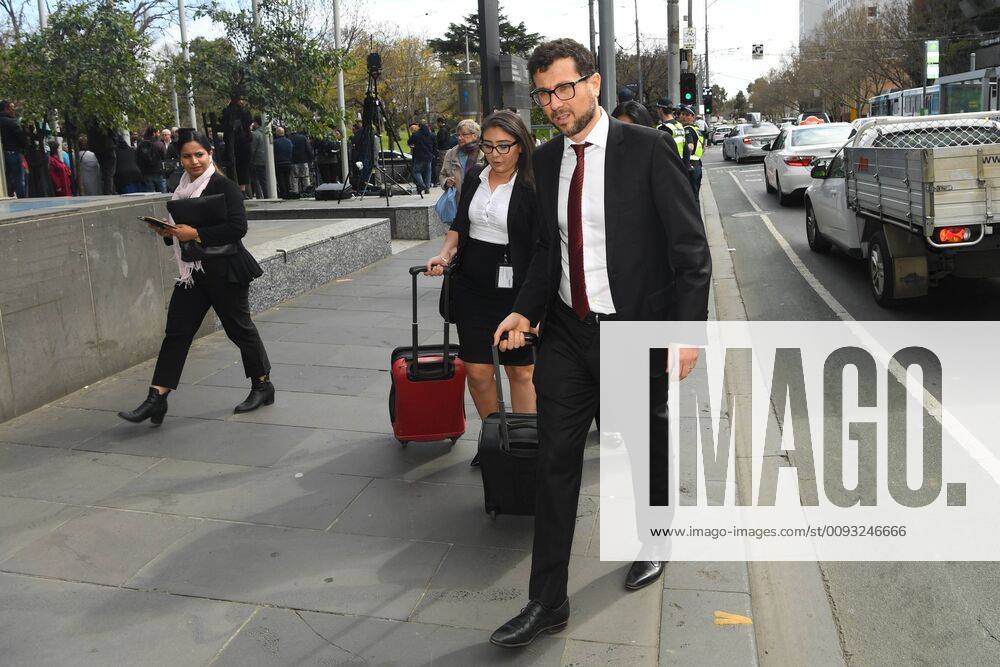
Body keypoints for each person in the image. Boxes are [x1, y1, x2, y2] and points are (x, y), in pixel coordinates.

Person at [490, 38, 711, 648]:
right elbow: (543, 252)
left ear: (592, 83)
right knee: (555, 462)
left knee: (643, 447)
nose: (555, 102)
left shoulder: (647, 149)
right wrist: (522, 312)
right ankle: (547, 602)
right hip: (566, 332)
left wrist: (688, 334)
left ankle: (655, 536)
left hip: (634, 329)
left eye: (564, 87)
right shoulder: (543, 159)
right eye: (543, 93)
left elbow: (689, 251)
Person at [118, 129, 273, 425]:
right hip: (193, 273)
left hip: (226, 270)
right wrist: (169, 233)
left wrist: (197, 233)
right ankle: (157, 398)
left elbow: (238, 228)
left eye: (199, 155)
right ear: (180, 159)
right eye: (187, 156)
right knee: (177, 333)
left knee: (239, 330)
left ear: (210, 153)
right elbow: (183, 232)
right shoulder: (181, 189)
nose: (194, 161)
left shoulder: (223, 185)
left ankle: (262, 385)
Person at [425, 110, 540, 467]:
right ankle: (495, 439)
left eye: (504, 146)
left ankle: (527, 444)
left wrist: (535, 310)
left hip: (517, 288)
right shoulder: (474, 176)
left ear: (521, 146)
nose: (495, 154)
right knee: (477, 371)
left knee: (520, 370)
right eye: (488, 146)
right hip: (472, 286)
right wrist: (444, 255)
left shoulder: (535, 184)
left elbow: (543, 246)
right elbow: (459, 225)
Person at [439, 119, 484, 200]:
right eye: (458, 135)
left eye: (463, 134)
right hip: (458, 202)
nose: (459, 138)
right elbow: (442, 175)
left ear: (475, 136)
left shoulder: (485, 153)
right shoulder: (451, 154)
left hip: (479, 201)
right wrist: (446, 182)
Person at [221, 94, 253, 197]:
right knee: (243, 167)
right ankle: (242, 190)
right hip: (242, 142)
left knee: (236, 166)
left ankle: (236, 189)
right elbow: (248, 122)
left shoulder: (226, 110)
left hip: (231, 143)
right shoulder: (244, 111)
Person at [0, 100, 28, 198]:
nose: (13, 110)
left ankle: (9, 194)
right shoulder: (12, 122)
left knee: (7, 178)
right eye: (11, 108)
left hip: (3, 154)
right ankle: (22, 200)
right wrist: (24, 147)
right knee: (19, 179)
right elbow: (21, 137)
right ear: (6, 109)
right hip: (14, 152)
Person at [679, 105, 704, 205]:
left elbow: (690, 147)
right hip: (698, 166)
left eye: (687, 115)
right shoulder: (696, 129)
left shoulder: (687, 129)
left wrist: (685, 160)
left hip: (691, 167)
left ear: (693, 117)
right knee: (695, 198)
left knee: (690, 200)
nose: (684, 116)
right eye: (683, 114)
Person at [408, 121, 436, 195]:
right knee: (428, 173)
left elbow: (409, 142)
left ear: (419, 127)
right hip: (429, 156)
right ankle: (427, 188)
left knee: (416, 172)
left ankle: (422, 185)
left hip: (419, 156)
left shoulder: (416, 135)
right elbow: (435, 145)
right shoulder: (431, 135)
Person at [137, 126, 167, 193]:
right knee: (163, 193)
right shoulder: (159, 144)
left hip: (146, 172)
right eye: (158, 133)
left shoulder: (141, 144)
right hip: (158, 171)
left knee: (150, 193)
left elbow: (137, 159)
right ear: (154, 133)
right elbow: (165, 157)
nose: (159, 135)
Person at [289, 129, 314, 196]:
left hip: (294, 161)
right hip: (303, 160)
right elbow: (308, 149)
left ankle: (295, 192)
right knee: (306, 176)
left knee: (295, 178)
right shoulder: (303, 138)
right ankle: (307, 191)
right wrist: (311, 158)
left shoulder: (290, 139)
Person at [250, 118, 268, 198]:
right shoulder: (267, 133)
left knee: (259, 180)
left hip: (258, 160)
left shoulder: (255, 134)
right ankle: (268, 195)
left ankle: (260, 196)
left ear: (256, 123)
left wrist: (250, 159)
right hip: (266, 160)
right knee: (265, 180)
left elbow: (252, 149)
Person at [273, 127, 293, 199]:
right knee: (287, 179)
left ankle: (283, 194)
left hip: (279, 163)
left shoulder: (275, 142)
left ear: (277, 133)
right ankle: (288, 192)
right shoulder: (289, 141)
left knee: (280, 180)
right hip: (288, 162)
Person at [433, 117, 451, 185]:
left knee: (443, 164)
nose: (437, 125)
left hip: (442, 149)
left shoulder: (442, 130)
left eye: (437, 123)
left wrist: (437, 143)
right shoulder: (447, 129)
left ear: (439, 122)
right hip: (447, 147)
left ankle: (443, 179)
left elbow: (441, 140)